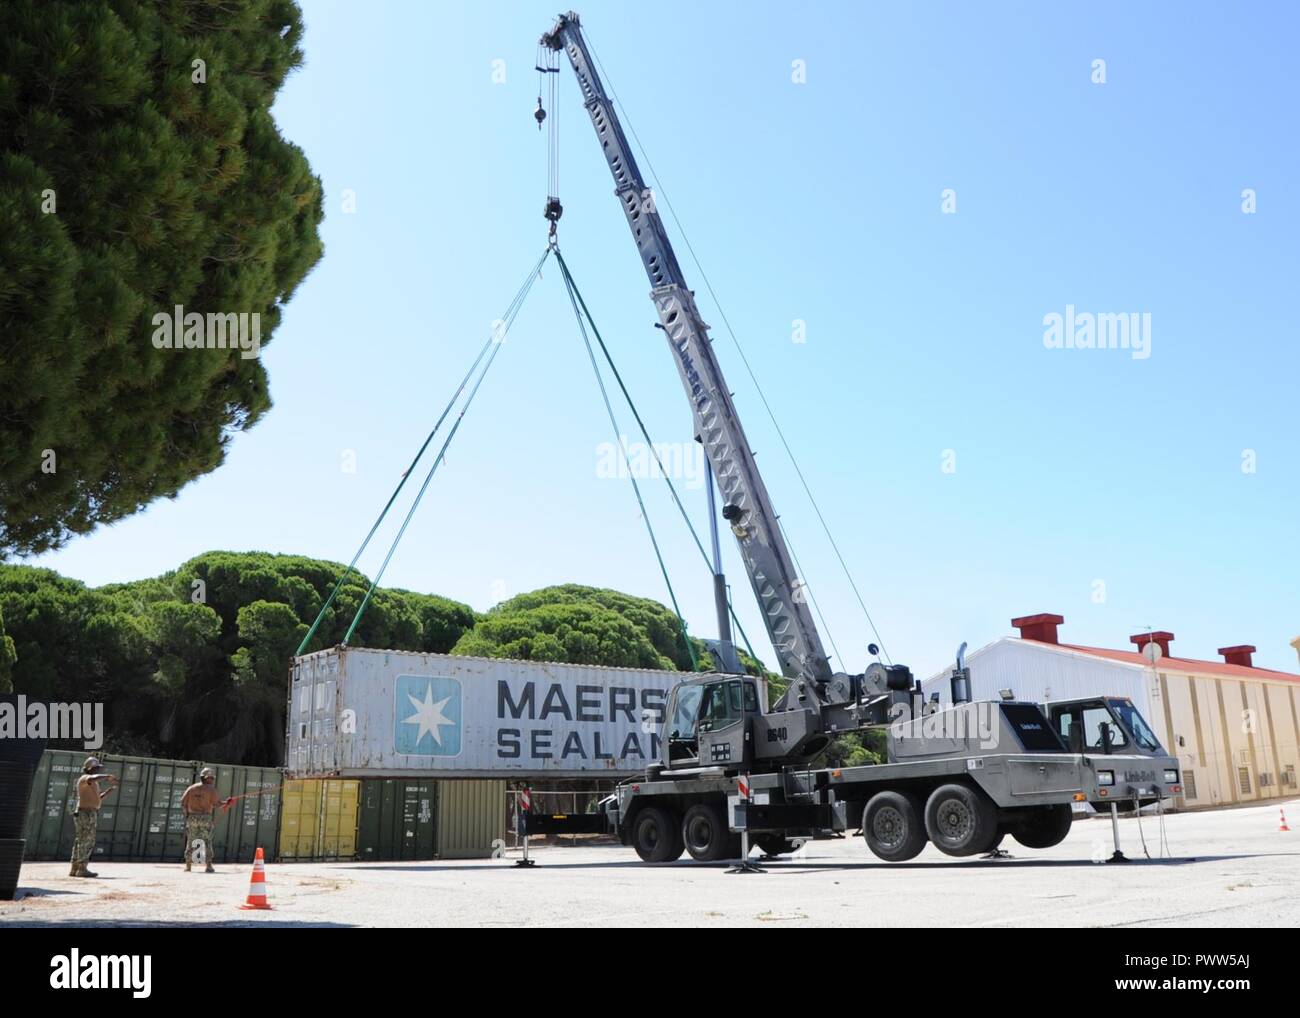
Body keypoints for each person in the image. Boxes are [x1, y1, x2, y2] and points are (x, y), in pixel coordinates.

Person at [70, 757, 118, 878]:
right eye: (96, 768)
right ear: (91, 768)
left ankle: (75, 868)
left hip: (86, 812)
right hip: (87, 813)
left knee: (80, 840)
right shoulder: (86, 779)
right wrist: (107, 776)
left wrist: (106, 793)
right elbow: (92, 778)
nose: (98, 770)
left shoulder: (92, 783)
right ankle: (82, 868)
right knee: (87, 840)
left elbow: (95, 799)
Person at [180, 768, 233, 873]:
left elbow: (183, 802)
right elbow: (217, 804)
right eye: (212, 778)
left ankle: (188, 866)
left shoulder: (191, 788)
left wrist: (187, 815)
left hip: (192, 817)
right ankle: (208, 866)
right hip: (205, 817)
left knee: (190, 841)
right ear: (208, 778)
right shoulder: (211, 790)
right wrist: (226, 802)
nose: (213, 780)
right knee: (207, 841)